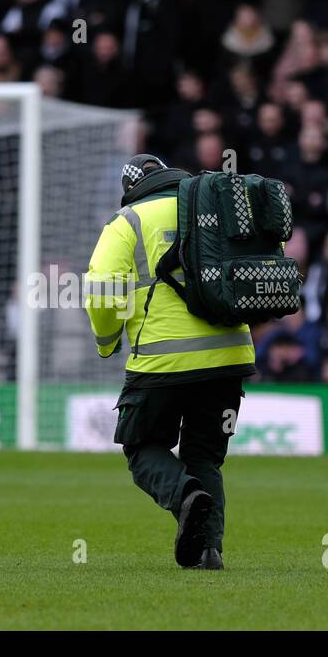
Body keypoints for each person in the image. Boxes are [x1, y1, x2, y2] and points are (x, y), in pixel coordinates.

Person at [85, 154, 255, 571]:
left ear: (130, 189)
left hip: (161, 361)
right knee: (204, 455)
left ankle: (185, 498)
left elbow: (103, 290)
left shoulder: (127, 221)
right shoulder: (214, 205)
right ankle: (207, 552)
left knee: (142, 447)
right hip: (231, 357)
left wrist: (107, 343)